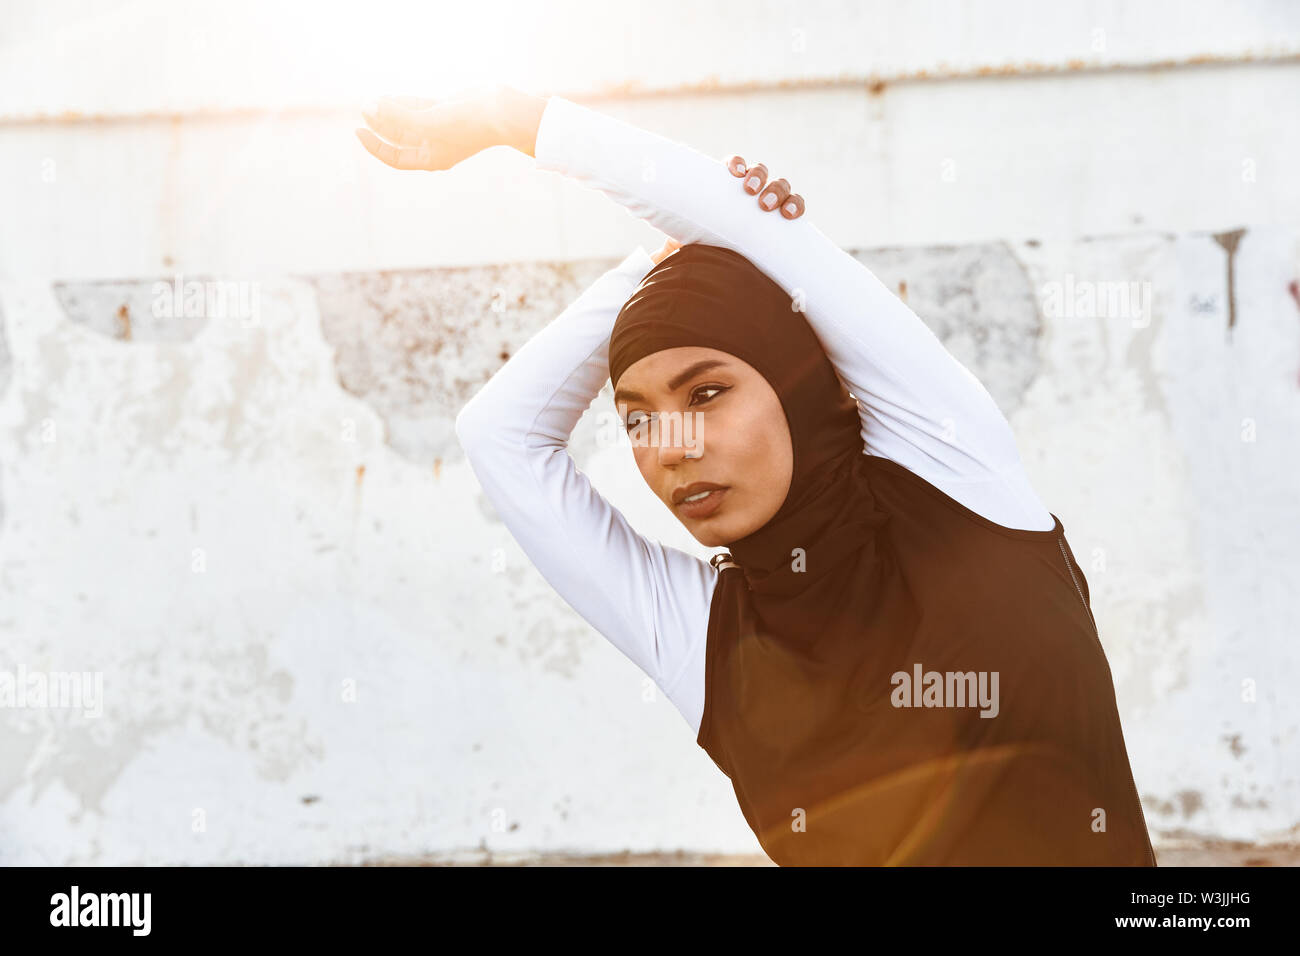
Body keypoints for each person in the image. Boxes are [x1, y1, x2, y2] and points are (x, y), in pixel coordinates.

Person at [356, 86, 1157, 866]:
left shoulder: (957, 482)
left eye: (707, 394)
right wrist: (650, 270)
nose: (670, 446)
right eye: (636, 418)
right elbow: (496, 436)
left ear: (804, 384)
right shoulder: (704, 638)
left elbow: (753, 226)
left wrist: (515, 120)